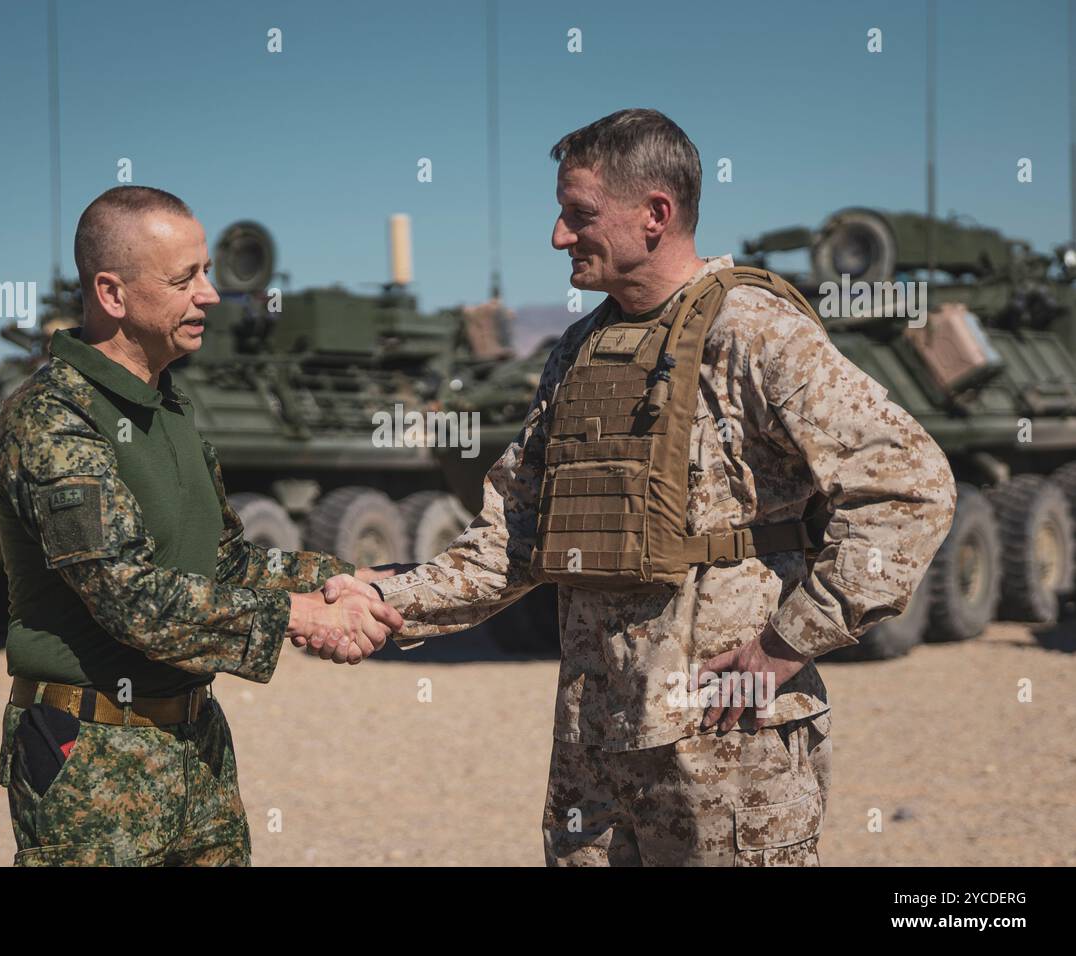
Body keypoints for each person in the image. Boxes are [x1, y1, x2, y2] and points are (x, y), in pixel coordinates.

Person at [318, 109, 957, 866]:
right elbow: (515, 536)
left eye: (578, 215)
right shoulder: (580, 349)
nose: (559, 236)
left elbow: (910, 489)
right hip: (596, 742)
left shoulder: (754, 331)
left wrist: (789, 643)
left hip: (725, 748)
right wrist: (388, 600)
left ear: (655, 214)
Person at [0, 185, 402, 866]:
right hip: (89, 759)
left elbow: (229, 562)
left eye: (207, 272)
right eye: (185, 279)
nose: (210, 295)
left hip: (195, 745)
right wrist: (296, 616)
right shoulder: (53, 417)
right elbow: (127, 594)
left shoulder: (169, 411)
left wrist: (346, 578)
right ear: (113, 294)